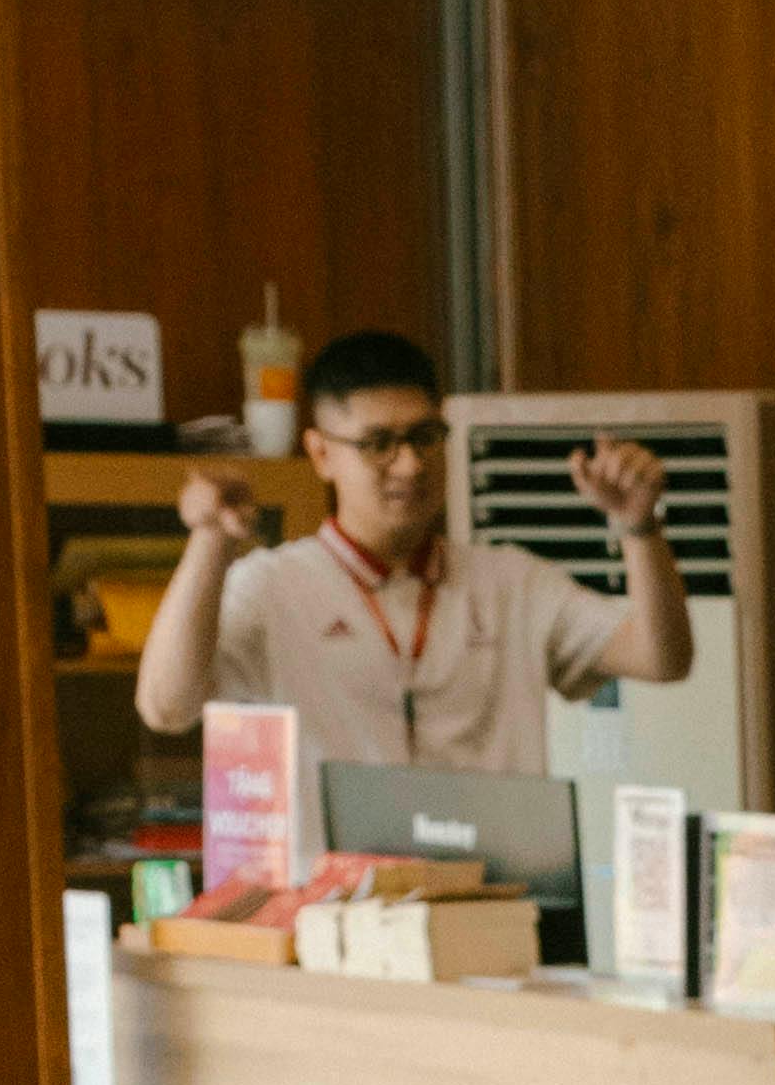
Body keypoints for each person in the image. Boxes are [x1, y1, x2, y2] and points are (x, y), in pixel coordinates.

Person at [134, 327, 693, 768]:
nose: (410, 464)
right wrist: (211, 541)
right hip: (337, 907)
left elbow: (661, 657)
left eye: (425, 437)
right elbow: (166, 706)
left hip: (496, 906)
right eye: (379, 444)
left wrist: (640, 531)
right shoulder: (271, 586)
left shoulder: (512, 582)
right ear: (321, 453)